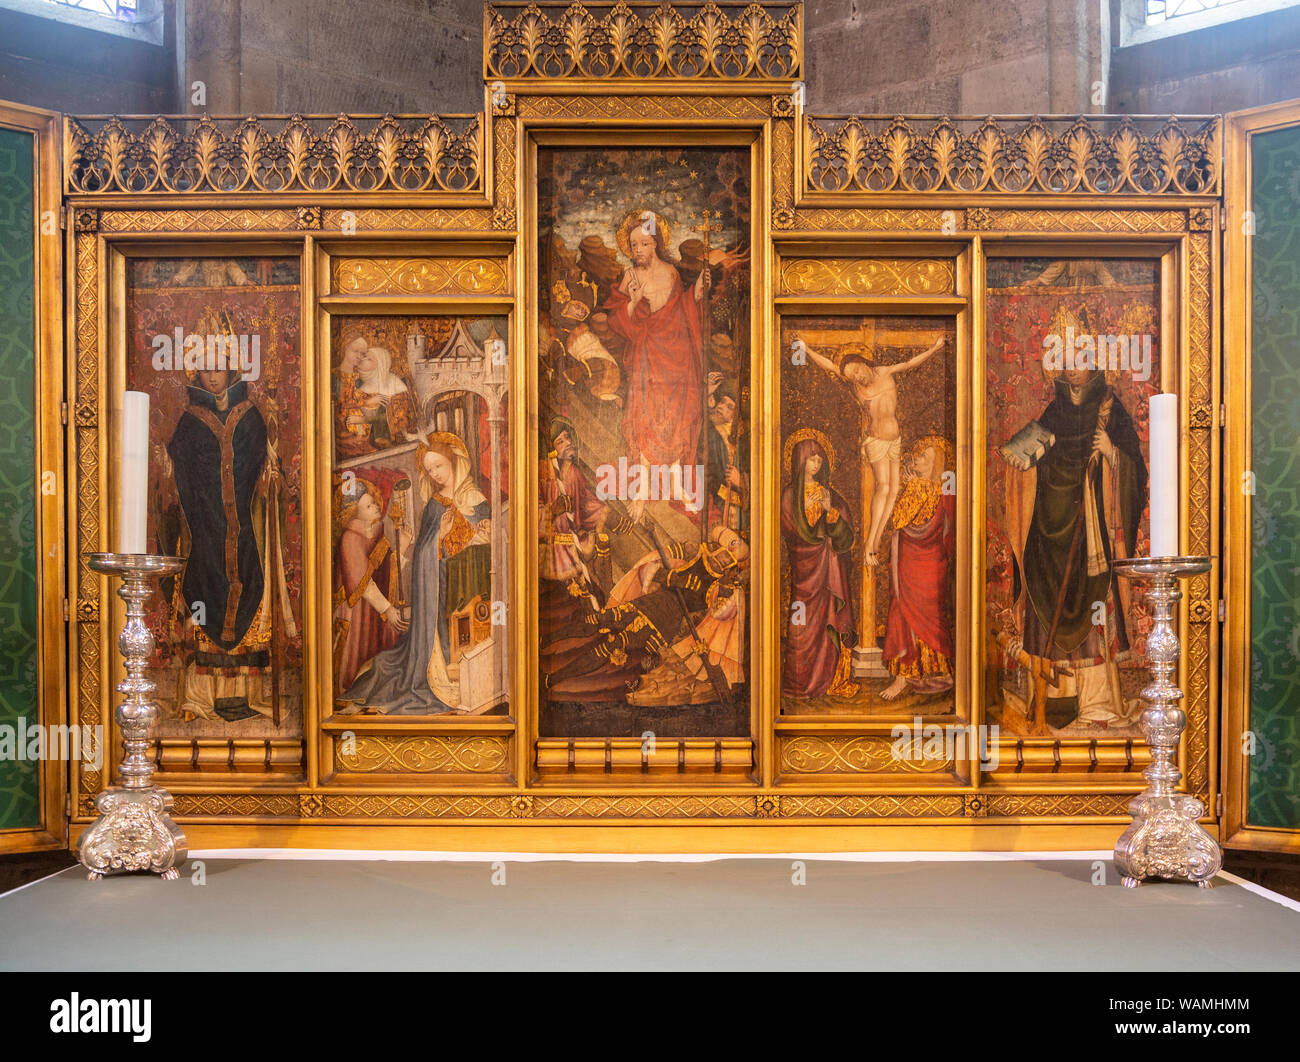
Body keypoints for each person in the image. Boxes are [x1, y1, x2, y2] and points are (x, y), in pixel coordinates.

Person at [1000, 326, 1147, 731]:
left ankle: (1097, 705)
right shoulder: (1054, 412)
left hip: (1091, 531)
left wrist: (1112, 455)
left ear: (1095, 362)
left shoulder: (1109, 410)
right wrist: (1019, 462)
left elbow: (1136, 471)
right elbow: (1029, 460)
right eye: (1067, 361)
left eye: (1081, 360)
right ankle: (1050, 701)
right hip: (1050, 533)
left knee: (1093, 608)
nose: (1074, 369)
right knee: (1045, 602)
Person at [164, 313, 295, 723]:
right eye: (204, 367)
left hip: (246, 529)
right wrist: (170, 476)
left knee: (251, 590)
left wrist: (270, 476)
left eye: (218, 366)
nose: (212, 375)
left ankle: (250, 695)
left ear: (231, 367)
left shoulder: (252, 416)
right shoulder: (189, 423)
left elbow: (265, 469)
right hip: (205, 532)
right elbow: (179, 475)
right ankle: (200, 698)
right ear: (195, 371)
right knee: (205, 594)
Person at [338, 433, 490, 714]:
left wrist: (480, 535)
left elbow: (489, 539)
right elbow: (423, 551)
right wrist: (439, 540)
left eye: (439, 466)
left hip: (470, 580)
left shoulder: (476, 499)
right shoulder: (434, 505)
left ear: (455, 461)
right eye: (430, 470)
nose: (435, 474)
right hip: (440, 587)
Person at [800, 334, 947, 566]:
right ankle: (869, 543)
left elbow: (910, 363)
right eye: (851, 375)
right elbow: (828, 364)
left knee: (894, 488)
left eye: (857, 370)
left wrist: (936, 348)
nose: (856, 376)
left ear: (863, 363)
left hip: (894, 439)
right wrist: (806, 349)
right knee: (883, 486)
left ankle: (876, 540)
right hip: (876, 440)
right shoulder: (856, 386)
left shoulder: (885, 372)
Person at [603, 209, 708, 515]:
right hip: (647, 358)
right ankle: (643, 489)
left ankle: (676, 482)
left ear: (656, 244)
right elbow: (617, 321)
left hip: (677, 357)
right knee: (644, 416)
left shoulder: (672, 274)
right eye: (633, 244)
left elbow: (682, 312)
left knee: (676, 418)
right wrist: (633, 303)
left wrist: (697, 293)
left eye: (644, 244)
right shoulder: (630, 277)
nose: (638, 250)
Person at [781, 429, 859, 699]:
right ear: (800, 460)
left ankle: (829, 679)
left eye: (820, 459)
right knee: (801, 630)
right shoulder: (790, 496)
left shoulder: (830, 496)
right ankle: (799, 682)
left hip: (828, 576)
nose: (817, 463)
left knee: (829, 625)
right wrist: (817, 535)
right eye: (812, 458)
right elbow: (792, 532)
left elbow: (846, 540)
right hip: (804, 576)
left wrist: (830, 512)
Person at [881, 437, 956, 701]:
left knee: (931, 616)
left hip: (930, 562)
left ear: (937, 461)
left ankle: (934, 671)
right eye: (916, 455)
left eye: (924, 455)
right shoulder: (922, 487)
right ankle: (903, 676)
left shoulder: (931, 488)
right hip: (911, 560)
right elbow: (900, 521)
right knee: (902, 612)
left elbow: (900, 518)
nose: (917, 459)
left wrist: (910, 486)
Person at [332, 475, 406, 694]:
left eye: (373, 502)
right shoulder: (351, 538)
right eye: (368, 505)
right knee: (356, 660)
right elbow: (363, 584)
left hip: (372, 611)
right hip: (356, 611)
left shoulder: (374, 533)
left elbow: (385, 571)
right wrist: (388, 609)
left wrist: (402, 549)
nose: (375, 506)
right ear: (355, 512)